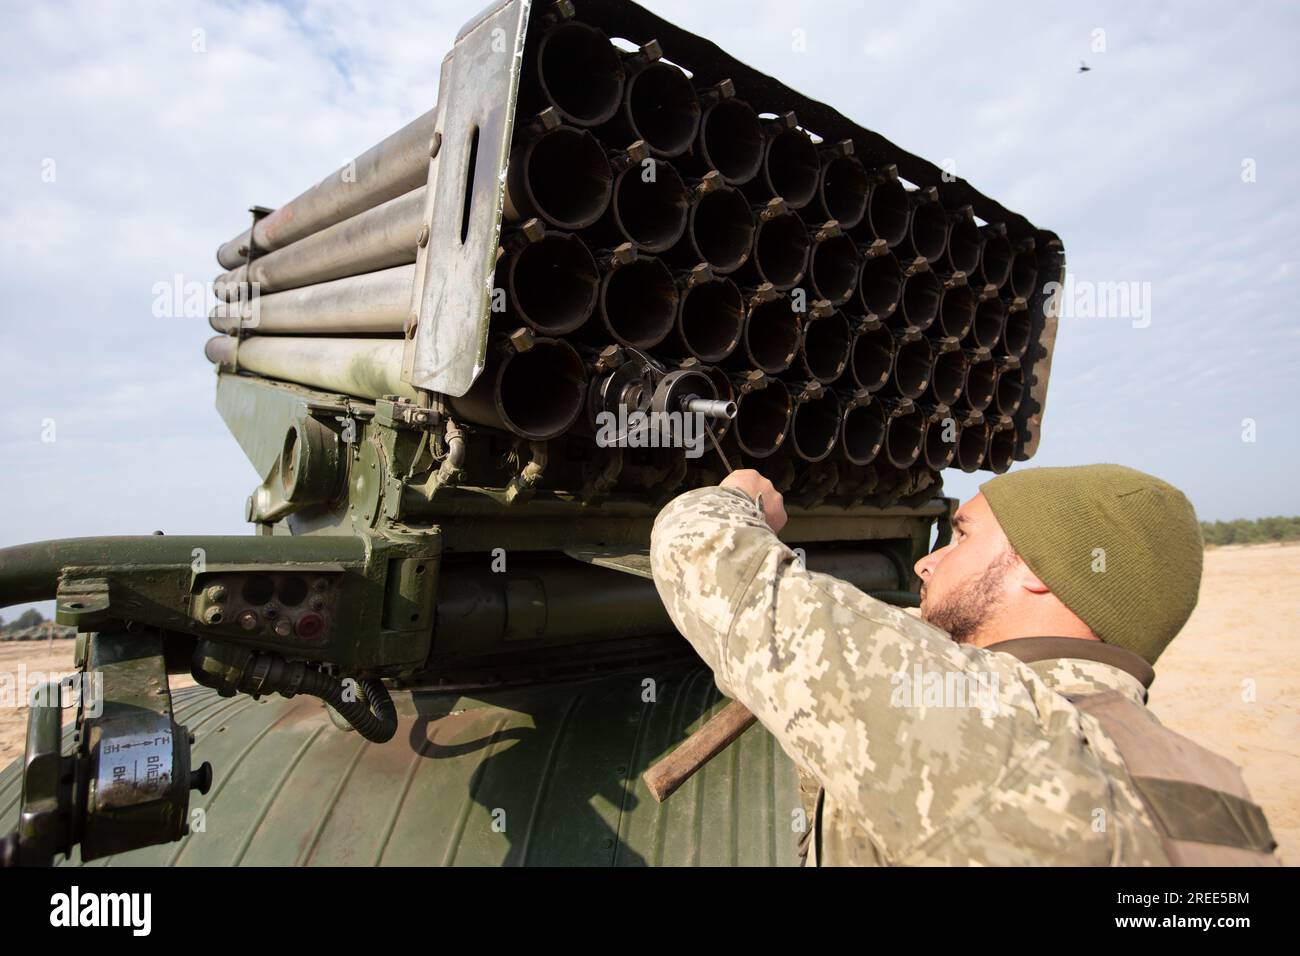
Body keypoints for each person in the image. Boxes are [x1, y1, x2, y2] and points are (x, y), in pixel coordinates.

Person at [649, 463, 1280, 866]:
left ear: (1036, 571)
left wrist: (735, 497)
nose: (926, 564)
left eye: (962, 536)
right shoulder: (1217, 791)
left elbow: (711, 566)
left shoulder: (991, 720)